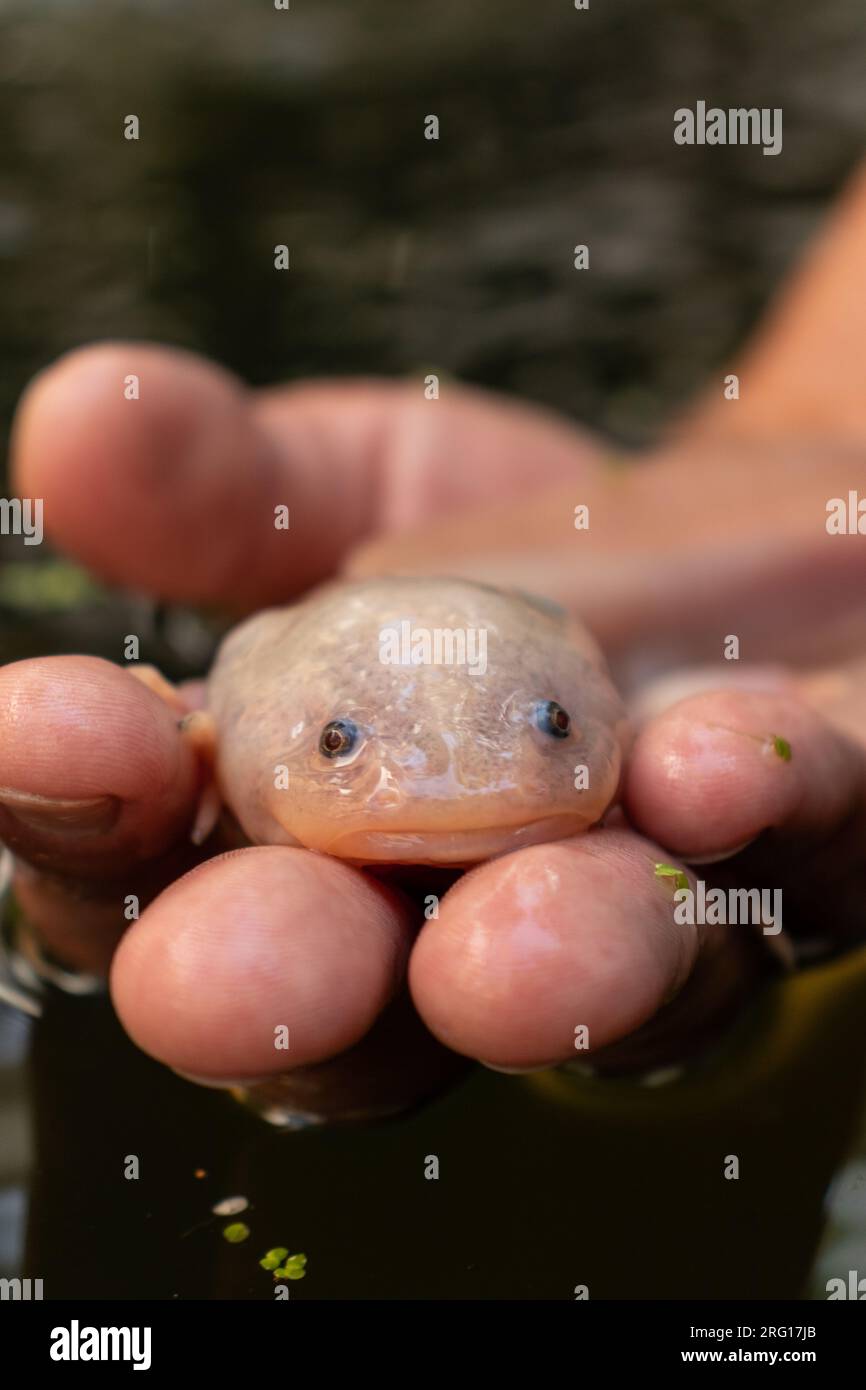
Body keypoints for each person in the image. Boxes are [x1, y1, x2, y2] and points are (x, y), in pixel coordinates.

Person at [3, 162, 866, 1119]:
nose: (453, 787)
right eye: (340, 747)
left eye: (551, 728)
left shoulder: (614, 681)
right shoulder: (231, 698)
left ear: (611, 710)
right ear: (208, 730)